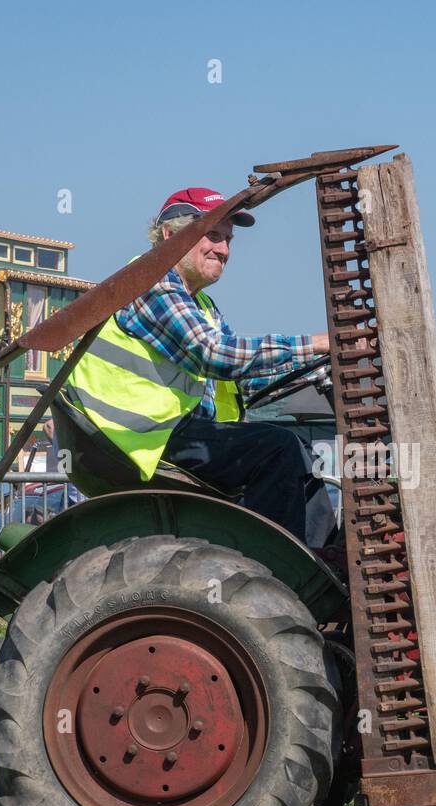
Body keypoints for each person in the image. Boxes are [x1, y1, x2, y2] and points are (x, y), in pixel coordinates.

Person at [63, 187, 335, 547]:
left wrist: (317, 365)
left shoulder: (200, 304)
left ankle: (322, 560)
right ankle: (288, 568)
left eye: (227, 239)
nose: (223, 250)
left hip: (166, 435)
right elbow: (216, 355)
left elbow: (239, 375)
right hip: (138, 439)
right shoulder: (150, 283)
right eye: (213, 235)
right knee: (278, 448)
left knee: (297, 449)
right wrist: (314, 343)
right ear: (170, 236)